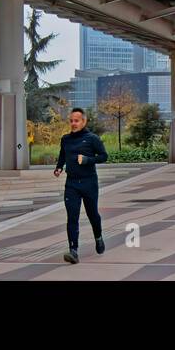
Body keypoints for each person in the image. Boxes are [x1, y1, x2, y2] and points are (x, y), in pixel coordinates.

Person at [54, 107, 109, 264]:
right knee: (72, 217)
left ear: (84, 121)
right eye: (71, 120)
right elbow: (62, 156)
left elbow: (104, 156)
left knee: (93, 214)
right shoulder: (65, 139)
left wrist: (87, 160)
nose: (73, 123)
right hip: (71, 184)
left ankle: (98, 237)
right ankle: (73, 251)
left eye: (76, 121)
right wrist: (58, 167)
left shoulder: (92, 138)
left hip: (89, 183)